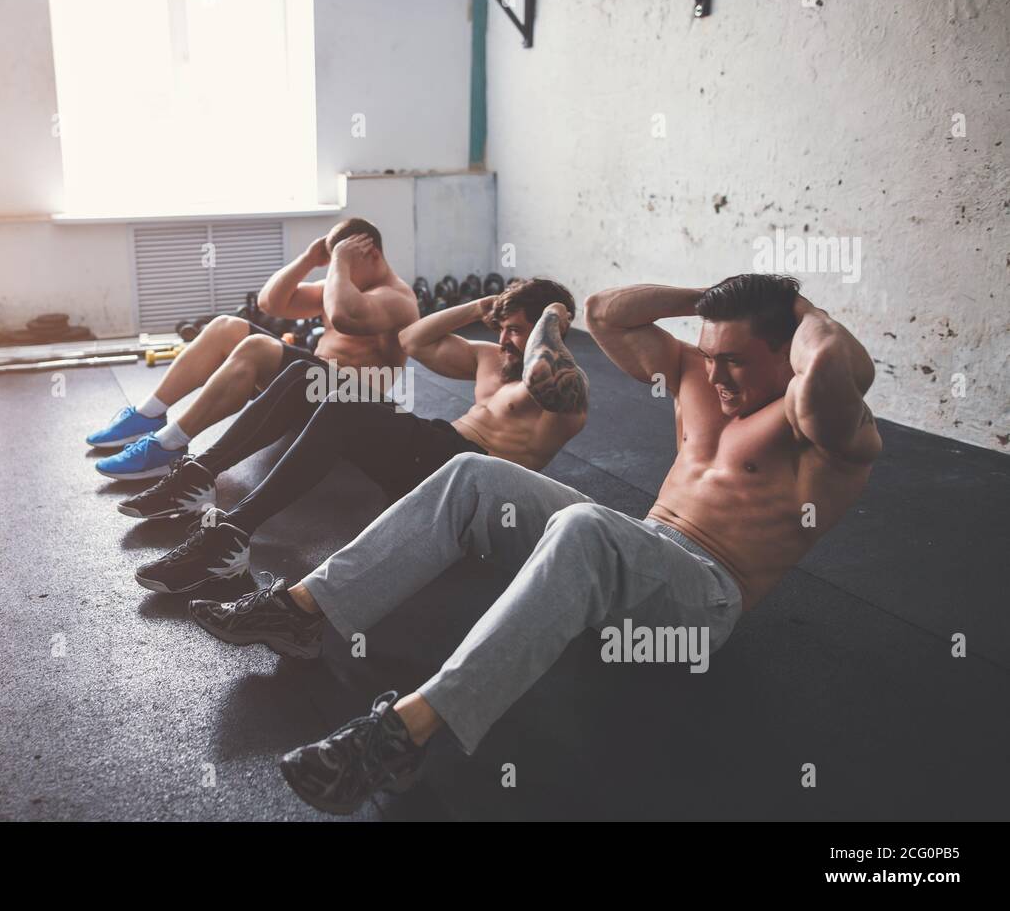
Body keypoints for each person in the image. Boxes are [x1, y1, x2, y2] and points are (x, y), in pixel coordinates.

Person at [190, 274, 882, 815]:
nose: (718, 376)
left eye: (735, 362)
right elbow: (608, 310)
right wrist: (708, 301)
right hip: (639, 545)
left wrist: (802, 310)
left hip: (703, 599)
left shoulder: (819, 426)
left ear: (785, 348)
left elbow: (830, 374)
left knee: (585, 527)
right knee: (473, 475)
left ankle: (405, 735)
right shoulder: (698, 376)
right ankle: (305, 612)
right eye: (711, 355)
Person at [130, 279, 588, 595]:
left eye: (518, 330)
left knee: (342, 410)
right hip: (430, 447)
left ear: (551, 333)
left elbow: (545, 372)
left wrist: (550, 314)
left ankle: (229, 538)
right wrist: (476, 307)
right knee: (305, 373)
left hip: (470, 478)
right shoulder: (491, 358)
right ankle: (199, 476)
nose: (506, 338)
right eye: (503, 328)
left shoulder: (562, 387)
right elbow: (413, 340)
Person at [86, 218, 418, 480]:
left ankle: (167, 446)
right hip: (305, 392)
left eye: (339, 264)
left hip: (348, 407)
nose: (333, 272)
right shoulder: (342, 285)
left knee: (256, 347)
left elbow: (346, 316)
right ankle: (148, 415)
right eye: (331, 265)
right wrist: (307, 260)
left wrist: (340, 264)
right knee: (225, 326)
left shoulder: (395, 298)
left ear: (372, 254)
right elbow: (271, 303)